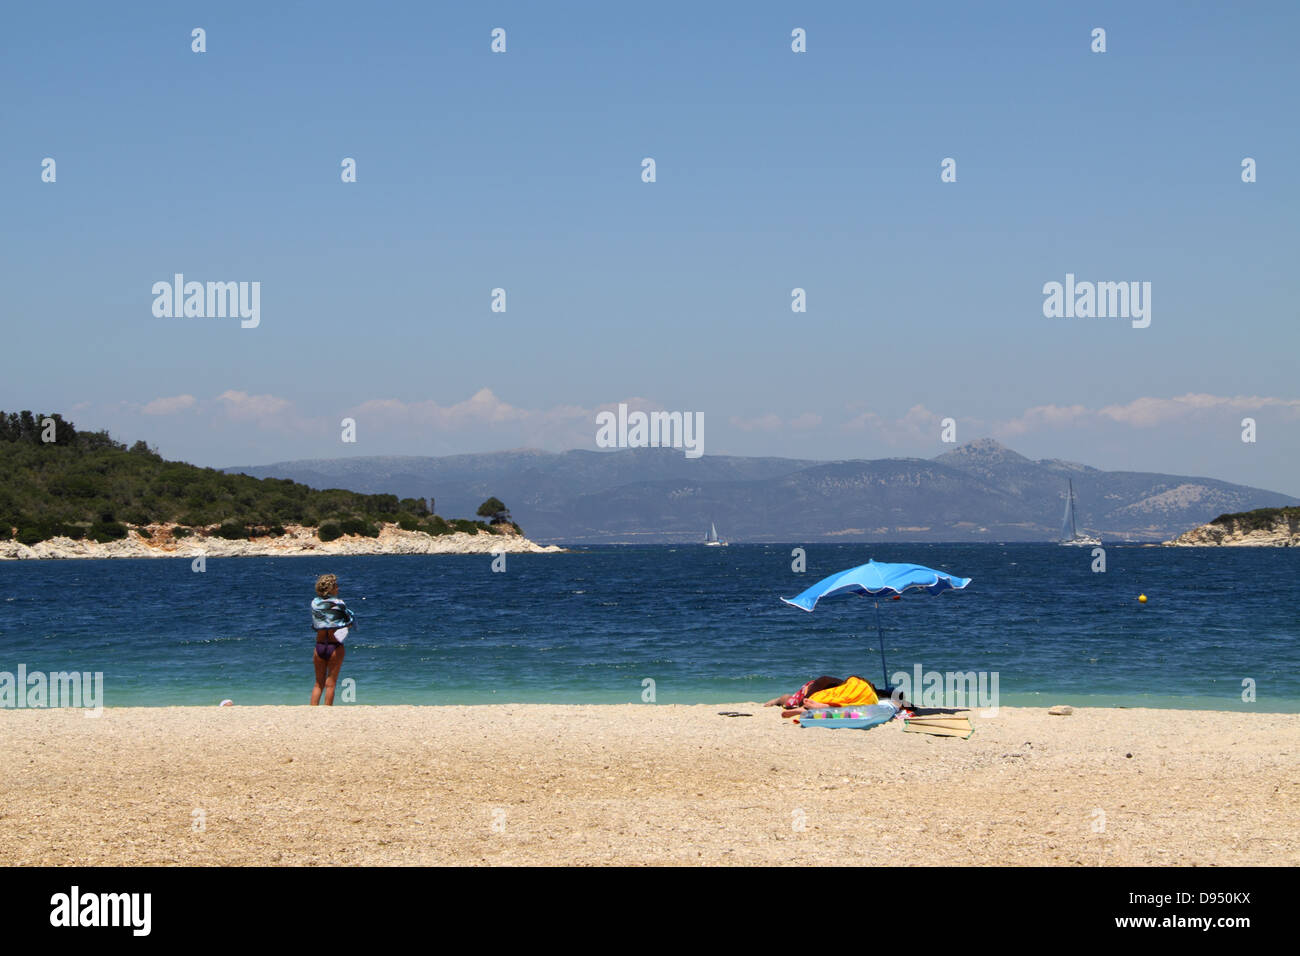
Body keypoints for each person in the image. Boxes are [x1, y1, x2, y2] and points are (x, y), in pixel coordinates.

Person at [310, 573, 355, 705]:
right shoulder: (339, 604)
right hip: (334, 646)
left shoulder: (314, 604)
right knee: (331, 684)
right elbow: (349, 621)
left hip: (319, 646)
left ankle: (311, 712)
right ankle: (327, 712)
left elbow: (317, 624)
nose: (338, 588)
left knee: (318, 683)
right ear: (331, 588)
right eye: (336, 586)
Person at [764, 674, 890, 718]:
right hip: (809, 692)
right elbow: (823, 680)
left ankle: (808, 708)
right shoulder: (843, 684)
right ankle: (778, 700)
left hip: (820, 696)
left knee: (838, 700)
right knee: (788, 701)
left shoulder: (842, 687)